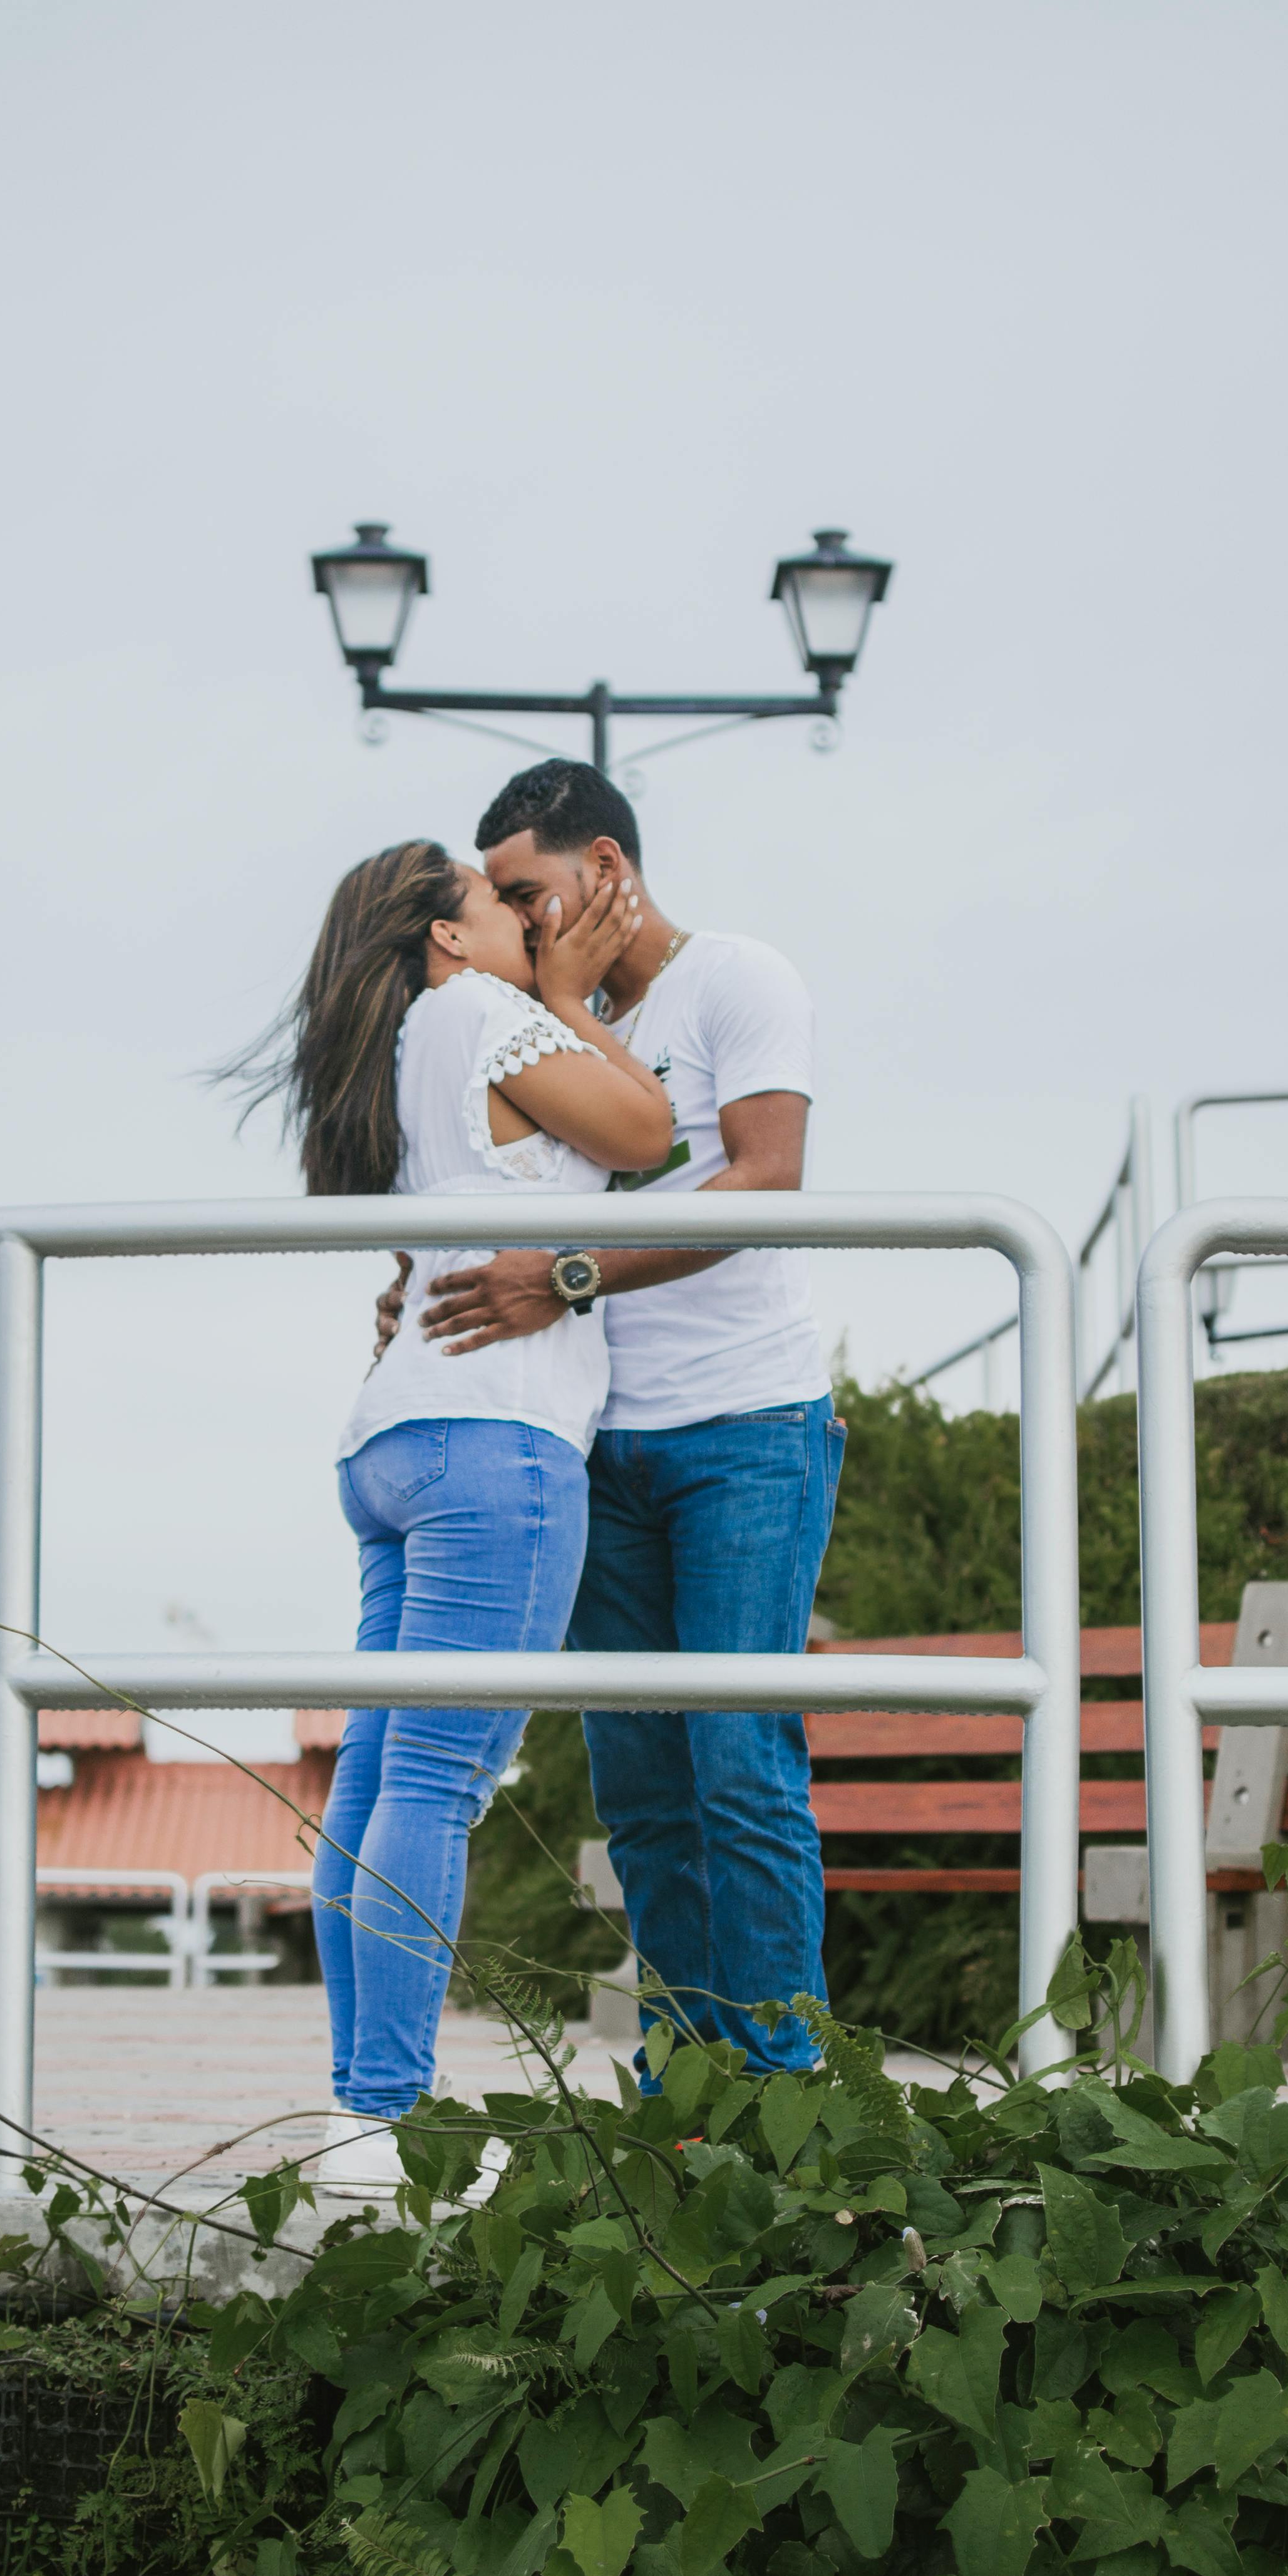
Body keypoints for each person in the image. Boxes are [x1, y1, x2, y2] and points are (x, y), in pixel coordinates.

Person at [223, 838, 671, 2196]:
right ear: (448, 940)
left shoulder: (403, 1049)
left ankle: (362, 2105)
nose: (525, 921)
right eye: (495, 905)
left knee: (376, 1776)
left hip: (396, 1440)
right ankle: (386, 2115)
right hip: (499, 1438)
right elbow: (651, 1138)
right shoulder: (481, 1015)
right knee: (436, 1782)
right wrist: (582, 1003)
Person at [386, 761, 842, 2080]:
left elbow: (765, 1178)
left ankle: (787, 2091)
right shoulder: (527, 1016)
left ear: (604, 864)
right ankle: (683, 2088)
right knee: (640, 1786)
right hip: (593, 1440)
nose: (520, 920)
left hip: (746, 1423)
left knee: (739, 1764)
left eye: (529, 890)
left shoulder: (738, 979)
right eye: (504, 902)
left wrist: (572, 1271)